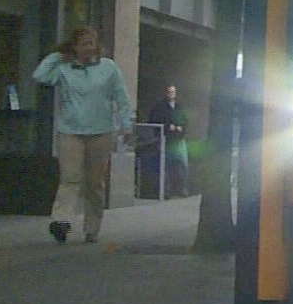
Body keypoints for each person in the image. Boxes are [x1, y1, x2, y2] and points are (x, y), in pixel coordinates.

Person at [32, 26, 133, 244]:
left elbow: (121, 96)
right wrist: (58, 55)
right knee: (70, 178)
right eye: (84, 43)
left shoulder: (108, 68)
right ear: (75, 46)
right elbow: (39, 76)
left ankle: (92, 228)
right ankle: (61, 221)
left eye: (92, 43)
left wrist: (126, 123)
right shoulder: (64, 68)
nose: (89, 47)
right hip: (70, 130)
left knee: (95, 183)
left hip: (100, 131)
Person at [144, 83, 191, 197]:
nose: (171, 94)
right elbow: (154, 120)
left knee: (182, 164)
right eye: (169, 92)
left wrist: (182, 128)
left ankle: (182, 189)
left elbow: (185, 120)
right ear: (166, 93)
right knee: (166, 165)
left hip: (179, 140)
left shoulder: (179, 106)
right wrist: (167, 127)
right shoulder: (160, 107)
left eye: (173, 92)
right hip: (166, 139)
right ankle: (166, 191)